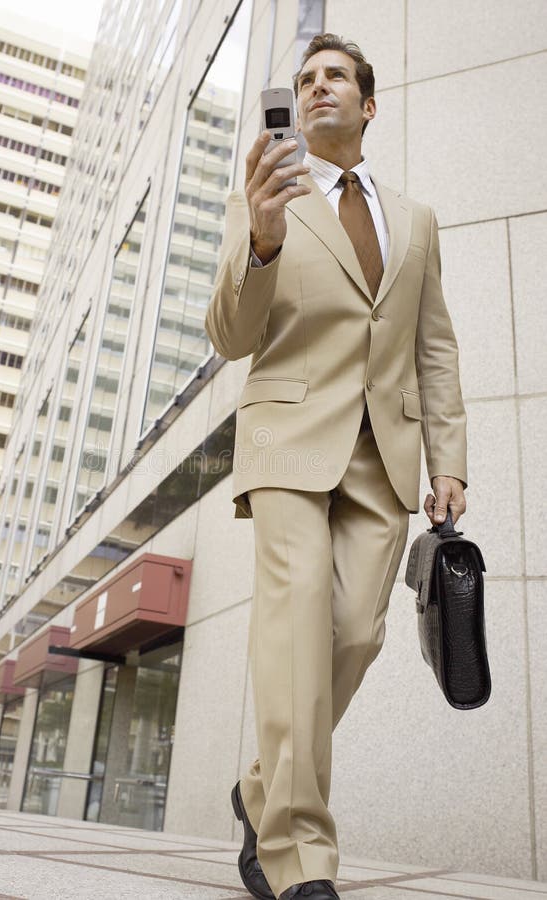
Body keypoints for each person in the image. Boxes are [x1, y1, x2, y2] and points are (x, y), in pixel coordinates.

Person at [204, 33, 468, 900]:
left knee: (354, 634)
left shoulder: (415, 219)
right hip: (287, 444)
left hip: (382, 458)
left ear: (367, 104)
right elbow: (232, 338)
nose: (317, 89)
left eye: (334, 79)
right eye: (305, 80)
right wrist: (266, 241)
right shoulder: (266, 197)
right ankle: (298, 858)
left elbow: (435, 350)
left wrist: (449, 462)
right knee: (295, 632)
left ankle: (258, 791)